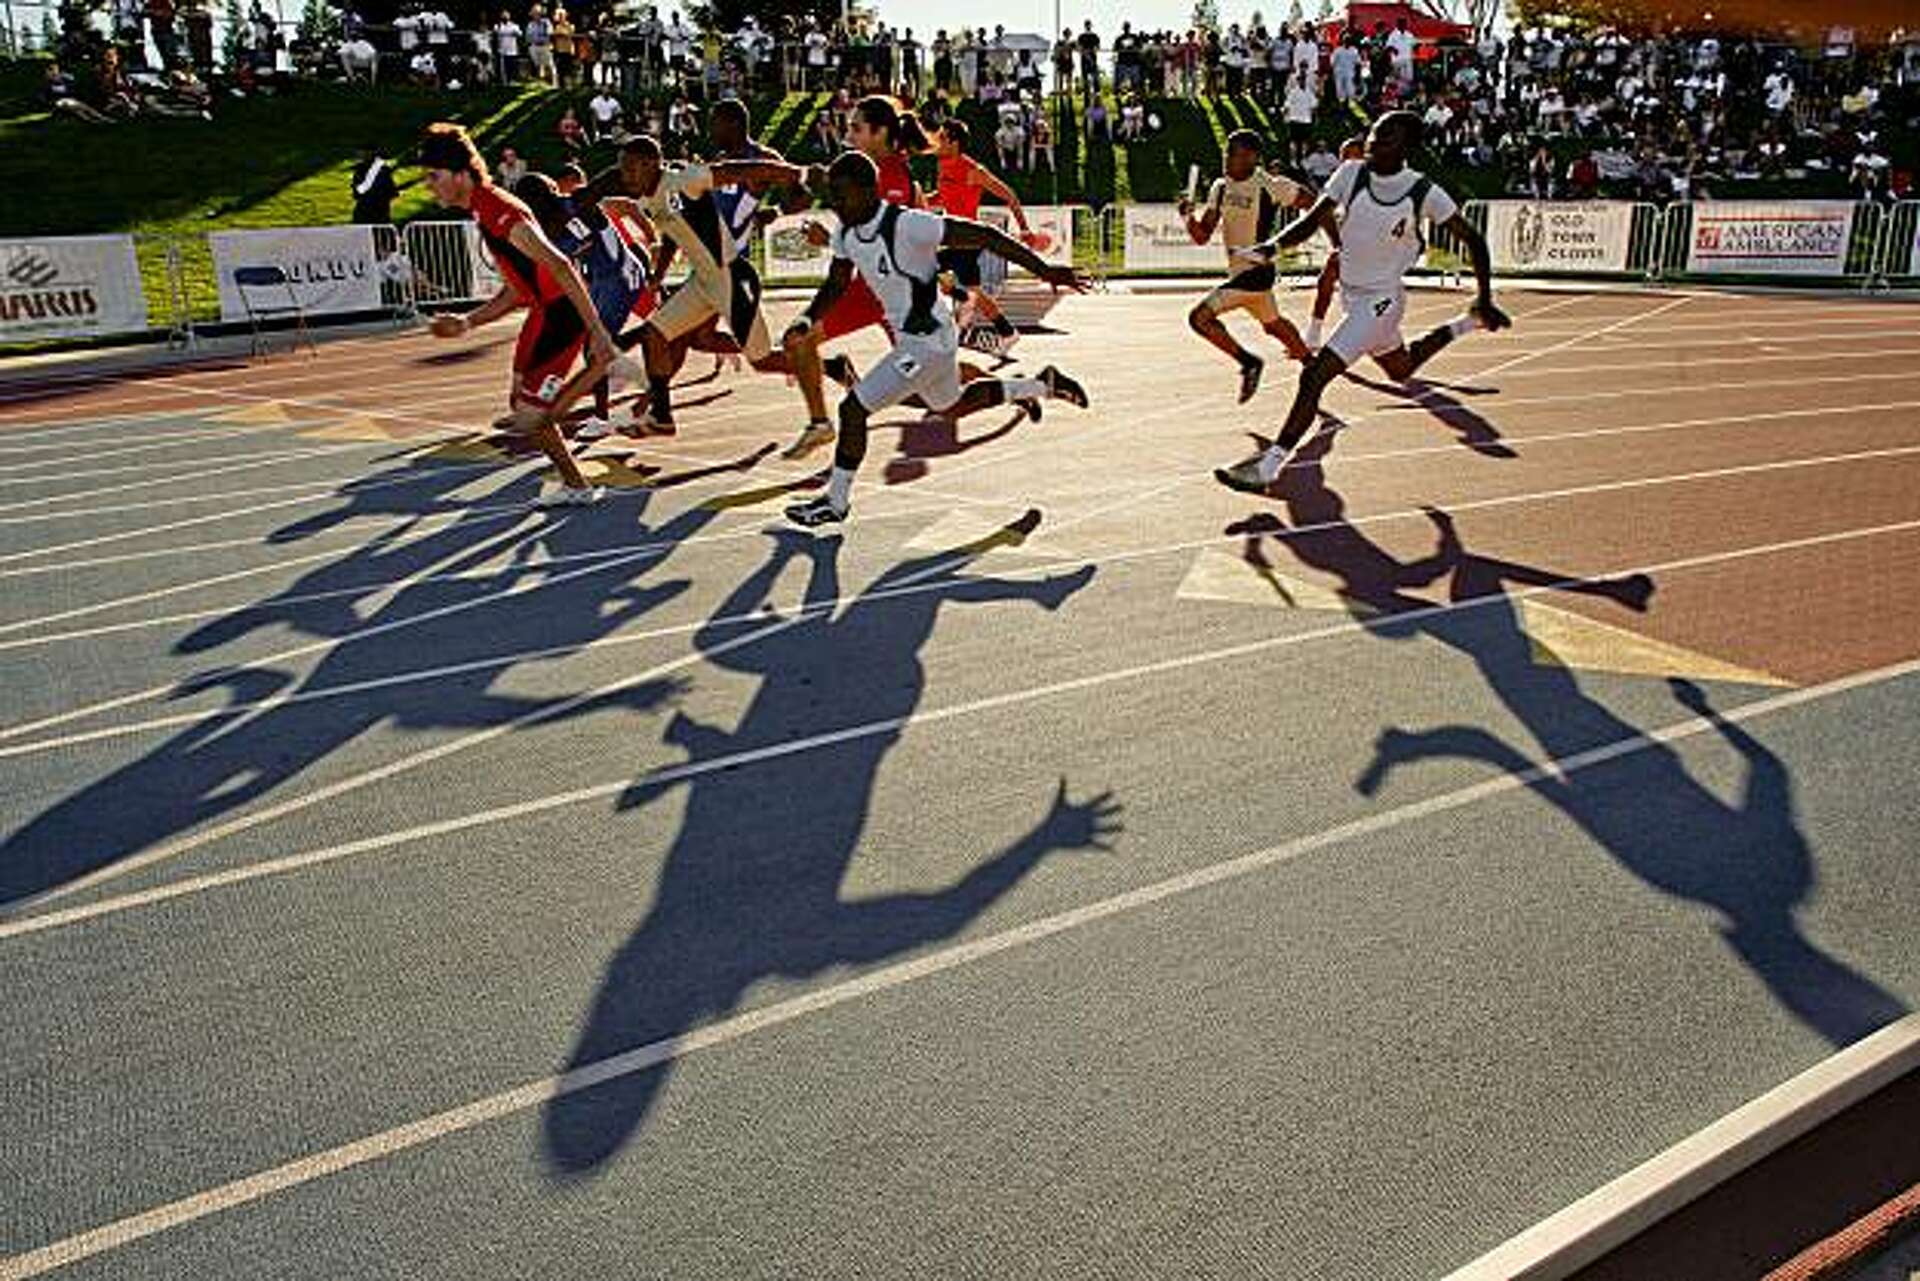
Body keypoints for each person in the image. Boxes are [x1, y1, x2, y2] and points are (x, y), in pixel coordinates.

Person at [782, 152, 1092, 529]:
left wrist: (1045, 270)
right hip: (926, 340)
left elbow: (985, 235)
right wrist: (805, 319)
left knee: (853, 409)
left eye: (843, 195)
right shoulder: (847, 235)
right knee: (952, 406)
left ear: (868, 192)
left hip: (925, 343)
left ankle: (836, 501)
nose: (838, 204)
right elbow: (835, 284)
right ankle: (1042, 384)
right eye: (833, 196)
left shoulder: (908, 224)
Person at [1215, 111, 1510, 496]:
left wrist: (1485, 294)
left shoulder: (1422, 191)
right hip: (1354, 298)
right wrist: (1272, 248)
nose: (1372, 141)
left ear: (1406, 147)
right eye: (1373, 132)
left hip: (1382, 299)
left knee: (1314, 375)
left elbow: (1473, 239)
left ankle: (1269, 465)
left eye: (1385, 137)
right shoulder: (1350, 173)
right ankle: (1467, 323)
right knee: (1401, 369)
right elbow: (1313, 219)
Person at [417, 123, 618, 506]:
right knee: (520, 403)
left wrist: (597, 332)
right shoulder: (483, 210)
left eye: (434, 176)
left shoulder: (498, 211)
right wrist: (466, 323)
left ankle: (602, 367)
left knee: (529, 419)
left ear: (461, 175)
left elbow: (560, 264)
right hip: (543, 312)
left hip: (562, 315)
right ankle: (577, 486)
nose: (429, 185)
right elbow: (516, 290)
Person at [574, 135, 814, 438]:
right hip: (702, 282)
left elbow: (741, 169)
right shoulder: (648, 194)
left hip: (730, 278)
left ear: (651, 165)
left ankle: (830, 367)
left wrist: (798, 173)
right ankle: (661, 417)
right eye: (623, 169)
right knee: (654, 335)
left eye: (631, 169)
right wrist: (658, 273)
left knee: (763, 361)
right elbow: (674, 231)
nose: (626, 177)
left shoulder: (684, 179)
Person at [1179, 128, 1316, 403]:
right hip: (1239, 273)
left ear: (1252, 157)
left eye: (1234, 152)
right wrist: (1188, 218)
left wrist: (1282, 243)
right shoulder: (1220, 188)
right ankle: (1312, 368)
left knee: (1199, 318)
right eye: (1226, 151)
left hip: (1258, 273)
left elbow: (1314, 205)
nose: (1227, 158)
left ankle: (1249, 362)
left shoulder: (1269, 185)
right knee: (1273, 326)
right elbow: (1202, 236)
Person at [1305, 135, 1366, 353]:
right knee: (1327, 281)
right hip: (1350, 242)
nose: (1343, 160)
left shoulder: (1374, 178)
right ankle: (1314, 333)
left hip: (1370, 244)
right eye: (1342, 155)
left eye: (1348, 154)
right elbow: (1325, 209)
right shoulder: (1344, 178)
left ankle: (1327, 335)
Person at [349, 143, 410, 224]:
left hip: (367, 214)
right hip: (379, 214)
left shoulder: (360, 171)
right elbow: (392, 192)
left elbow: (357, 193)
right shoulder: (383, 170)